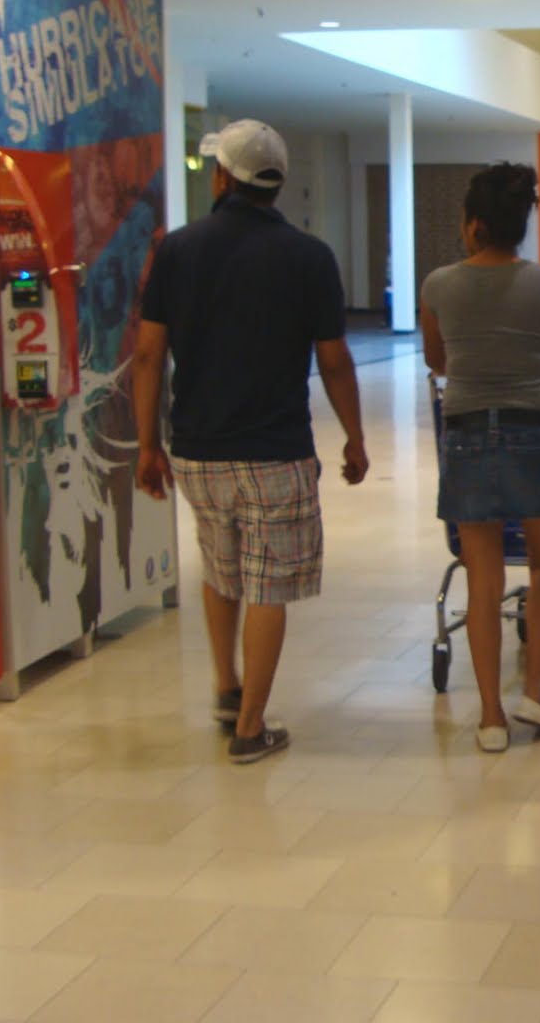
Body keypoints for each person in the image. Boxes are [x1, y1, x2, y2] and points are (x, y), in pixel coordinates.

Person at [133, 119, 368, 764]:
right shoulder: (309, 256)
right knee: (269, 585)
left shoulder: (175, 250)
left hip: (197, 449)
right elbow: (335, 359)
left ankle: (227, 688)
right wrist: (354, 438)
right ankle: (251, 729)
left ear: (221, 178)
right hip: (276, 450)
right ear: (278, 184)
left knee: (221, 568)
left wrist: (148, 445)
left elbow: (149, 356)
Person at [421, 163, 540, 753]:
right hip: (533, 434)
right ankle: (537, 693)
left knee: (482, 579)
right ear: (520, 225)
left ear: (473, 226)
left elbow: (438, 361)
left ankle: (491, 717)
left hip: (468, 433)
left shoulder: (438, 285)